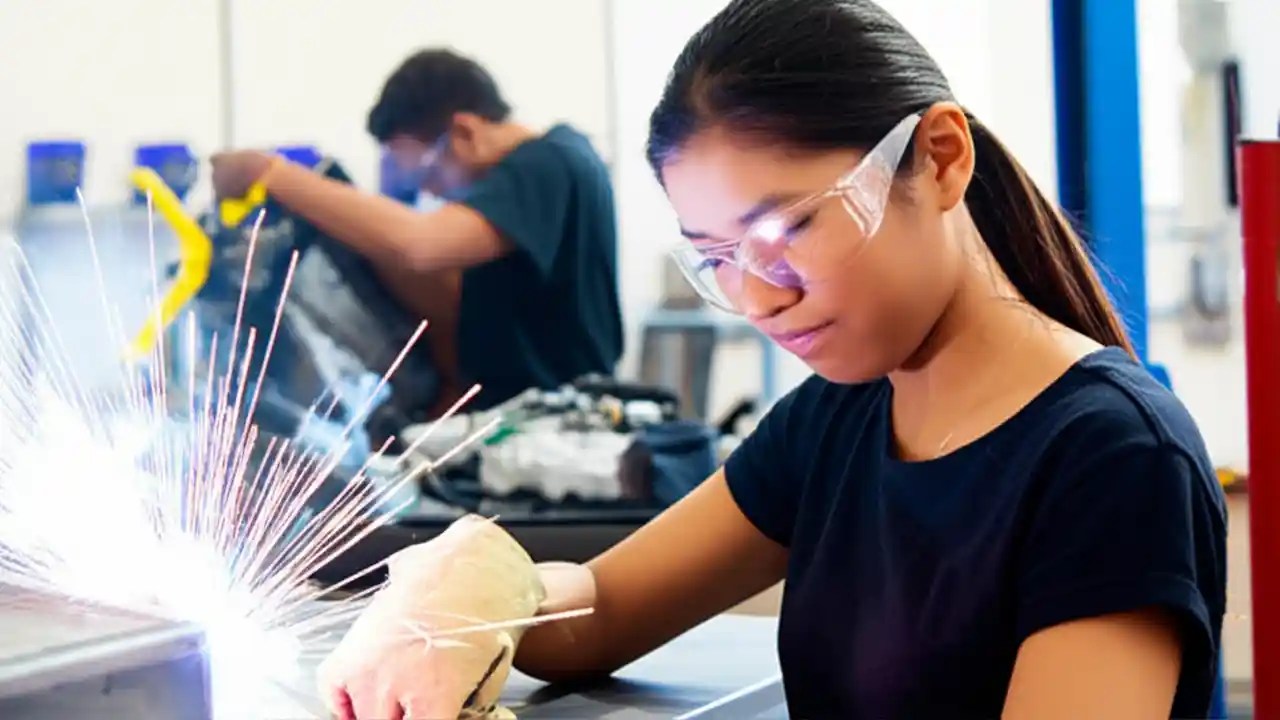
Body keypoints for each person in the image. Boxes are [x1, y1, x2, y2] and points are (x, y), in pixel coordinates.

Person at [318, 1, 1228, 718]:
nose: (758, 297)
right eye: (717, 257)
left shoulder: (1111, 458)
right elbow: (604, 605)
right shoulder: (838, 416)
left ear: (941, 160)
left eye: (787, 228)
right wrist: (483, 591)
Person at [212, 49, 624, 414]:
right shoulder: (544, 174)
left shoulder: (549, 161)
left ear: (464, 132)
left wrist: (272, 174)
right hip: (525, 423)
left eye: (428, 173)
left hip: (562, 429)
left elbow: (420, 245)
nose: (430, 191)